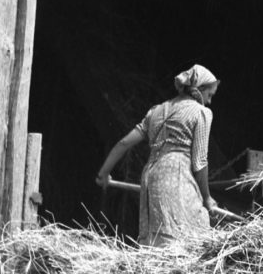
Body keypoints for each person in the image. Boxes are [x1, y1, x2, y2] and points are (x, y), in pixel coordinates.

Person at [96, 64, 225, 245]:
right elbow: (200, 161)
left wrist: (103, 173)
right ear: (200, 89)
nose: (210, 101)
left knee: (157, 244)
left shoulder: (156, 111)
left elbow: (124, 143)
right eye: (210, 95)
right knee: (191, 241)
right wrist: (207, 198)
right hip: (177, 178)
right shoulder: (202, 113)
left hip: (151, 176)